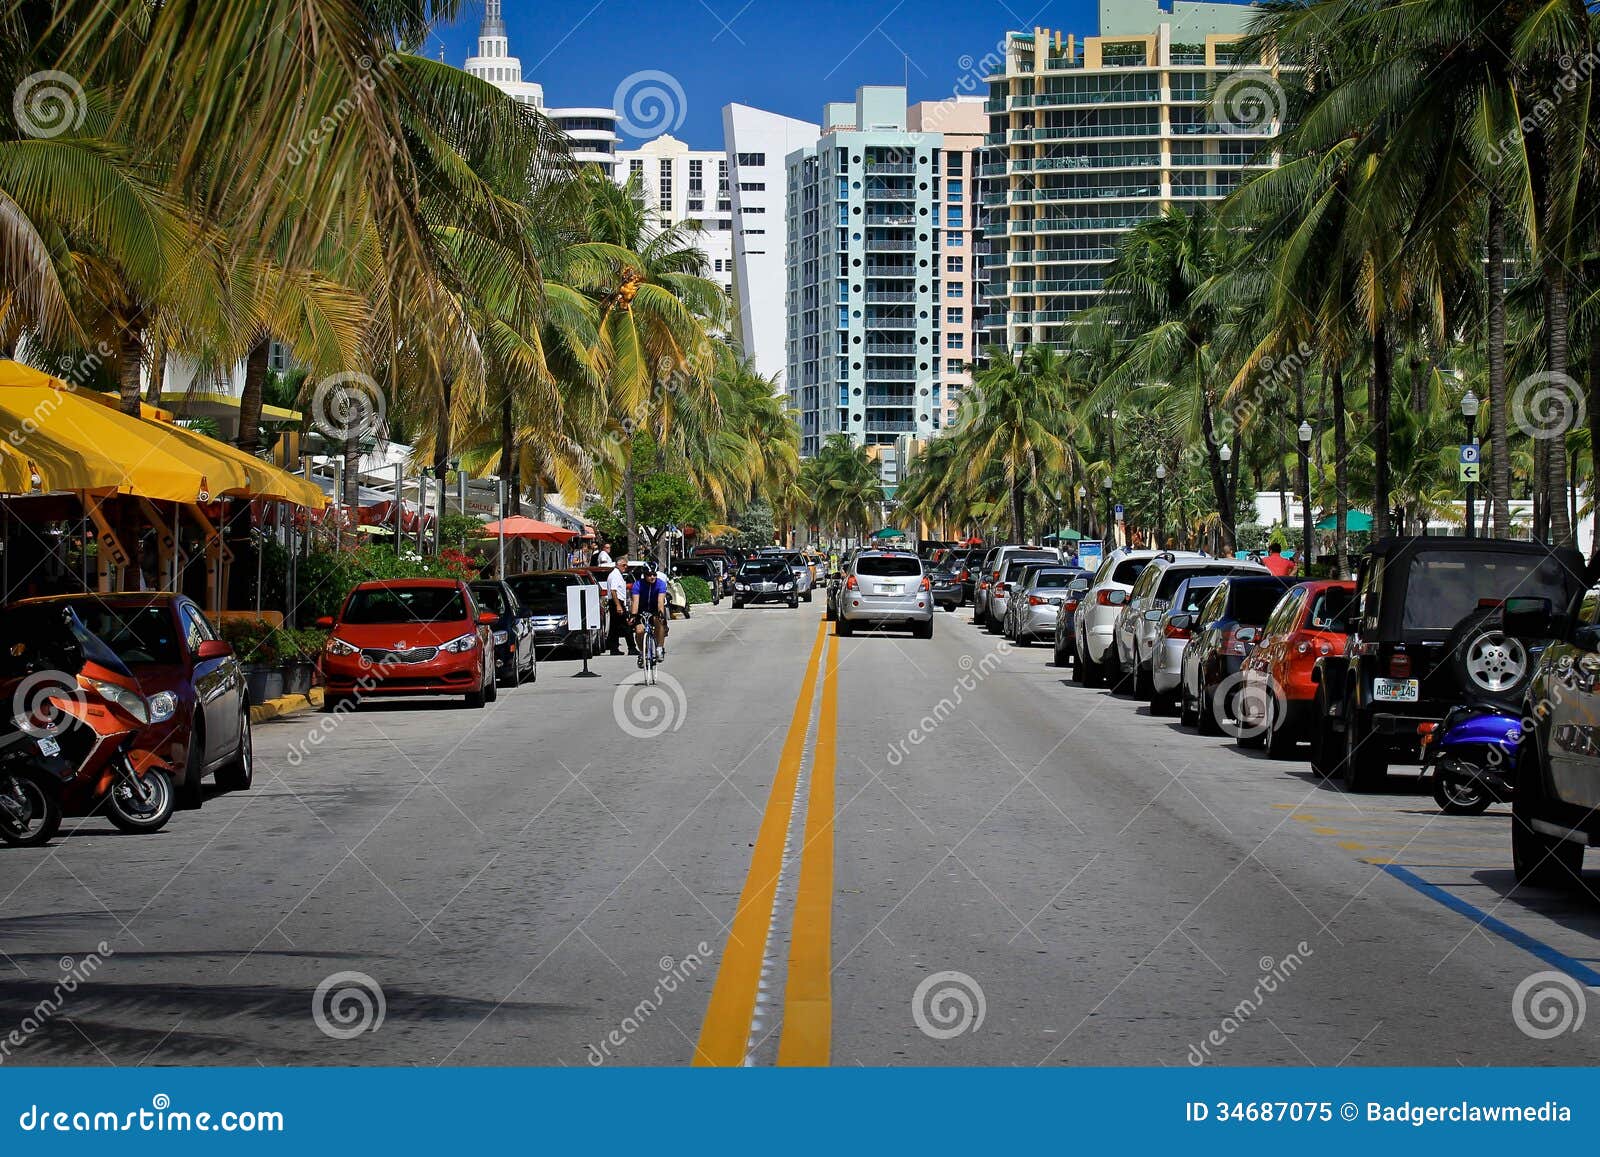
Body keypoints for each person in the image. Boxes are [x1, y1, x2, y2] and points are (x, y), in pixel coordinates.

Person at [629, 560, 669, 667]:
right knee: (639, 631)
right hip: (641, 609)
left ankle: (659, 648)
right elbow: (635, 602)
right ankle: (642, 653)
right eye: (649, 575)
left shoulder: (661, 584)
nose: (652, 577)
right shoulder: (638, 585)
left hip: (654, 608)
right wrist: (633, 615)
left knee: (659, 622)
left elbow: (660, 602)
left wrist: (661, 615)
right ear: (644, 575)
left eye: (654, 574)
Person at [604, 554, 633, 656]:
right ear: (618, 565)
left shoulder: (617, 574)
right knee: (626, 626)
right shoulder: (615, 575)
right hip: (616, 602)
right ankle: (632, 648)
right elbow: (613, 591)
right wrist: (618, 605)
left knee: (614, 628)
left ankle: (614, 648)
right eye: (624, 565)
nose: (626, 567)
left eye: (626, 565)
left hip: (617, 602)